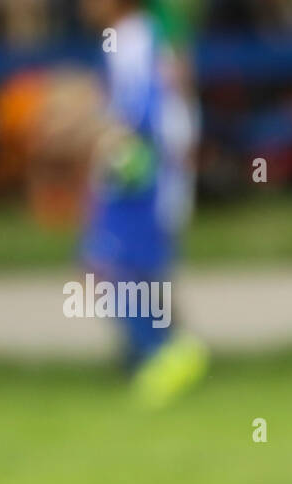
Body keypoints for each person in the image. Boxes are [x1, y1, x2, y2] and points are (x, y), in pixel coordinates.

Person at [79, 0, 206, 406]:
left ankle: (164, 355)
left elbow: (146, 110)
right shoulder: (144, 36)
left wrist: (105, 137)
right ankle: (161, 352)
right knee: (132, 271)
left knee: (116, 266)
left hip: (141, 179)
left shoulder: (134, 38)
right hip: (143, 175)